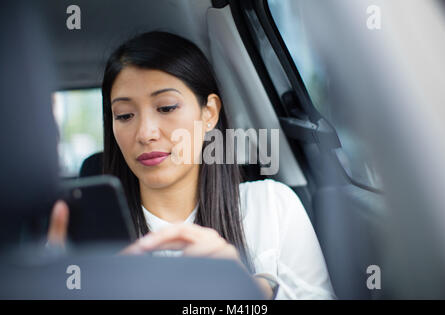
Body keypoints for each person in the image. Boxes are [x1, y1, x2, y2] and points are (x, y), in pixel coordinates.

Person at [48, 31, 335, 300]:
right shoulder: (85, 235)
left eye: (166, 108)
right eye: (124, 115)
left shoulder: (272, 207)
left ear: (209, 113)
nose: (146, 133)